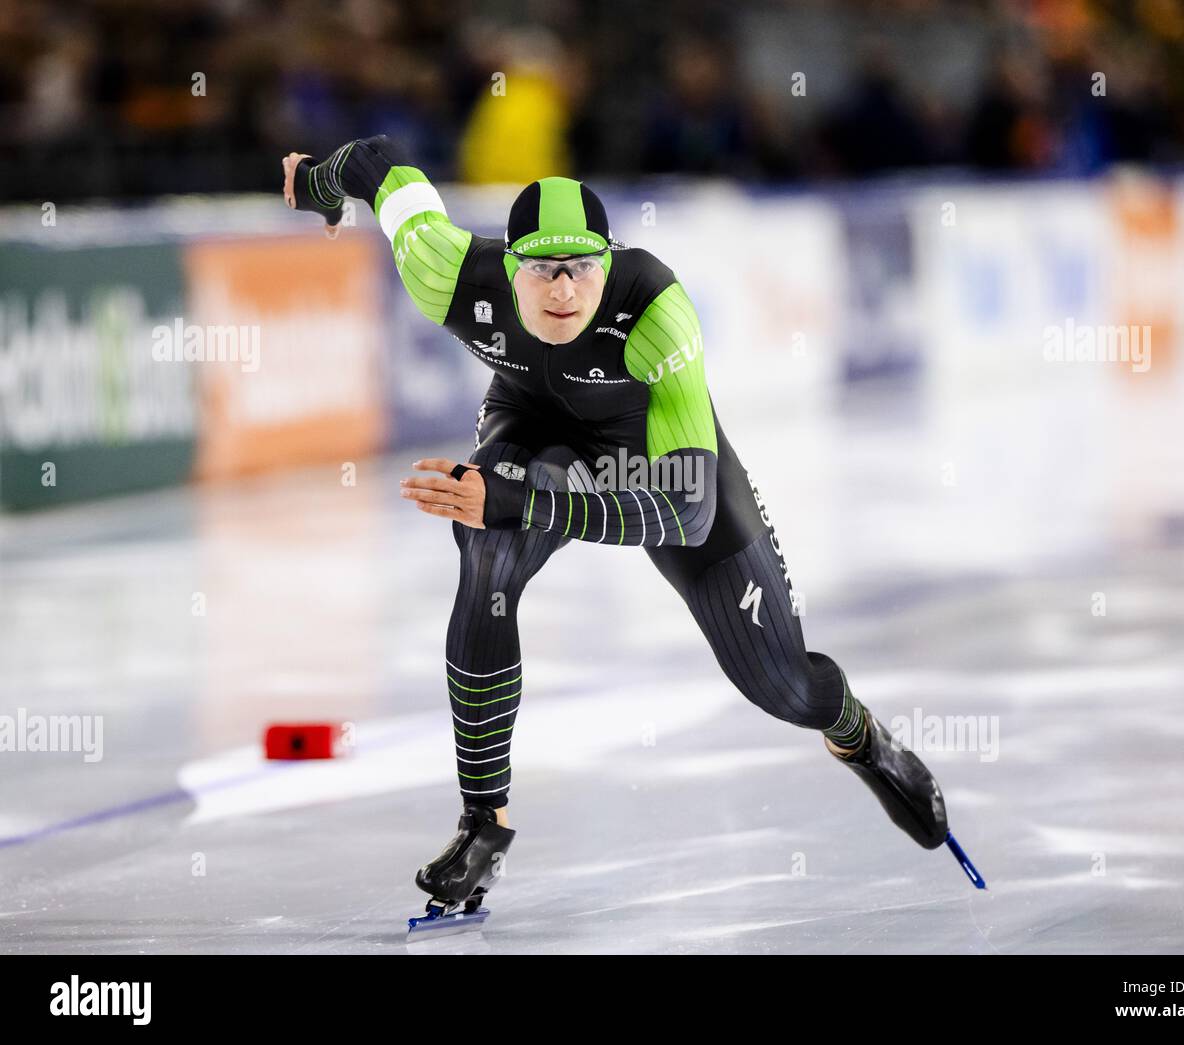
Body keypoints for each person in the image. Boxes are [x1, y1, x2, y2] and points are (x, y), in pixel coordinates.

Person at [281, 136, 952, 919]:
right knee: (486, 554)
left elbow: (689, 510)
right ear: (509, 267)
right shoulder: (446, 272)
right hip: (535, 428)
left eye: (582, 268)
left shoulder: (657, 311)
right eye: (541, 269)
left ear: (610, 258)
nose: (563, 290)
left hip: (657, 466)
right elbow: (378, 163)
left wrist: (522, 501)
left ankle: (857, 733)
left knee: (781, 685)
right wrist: (324, 184)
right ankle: (482, 824)